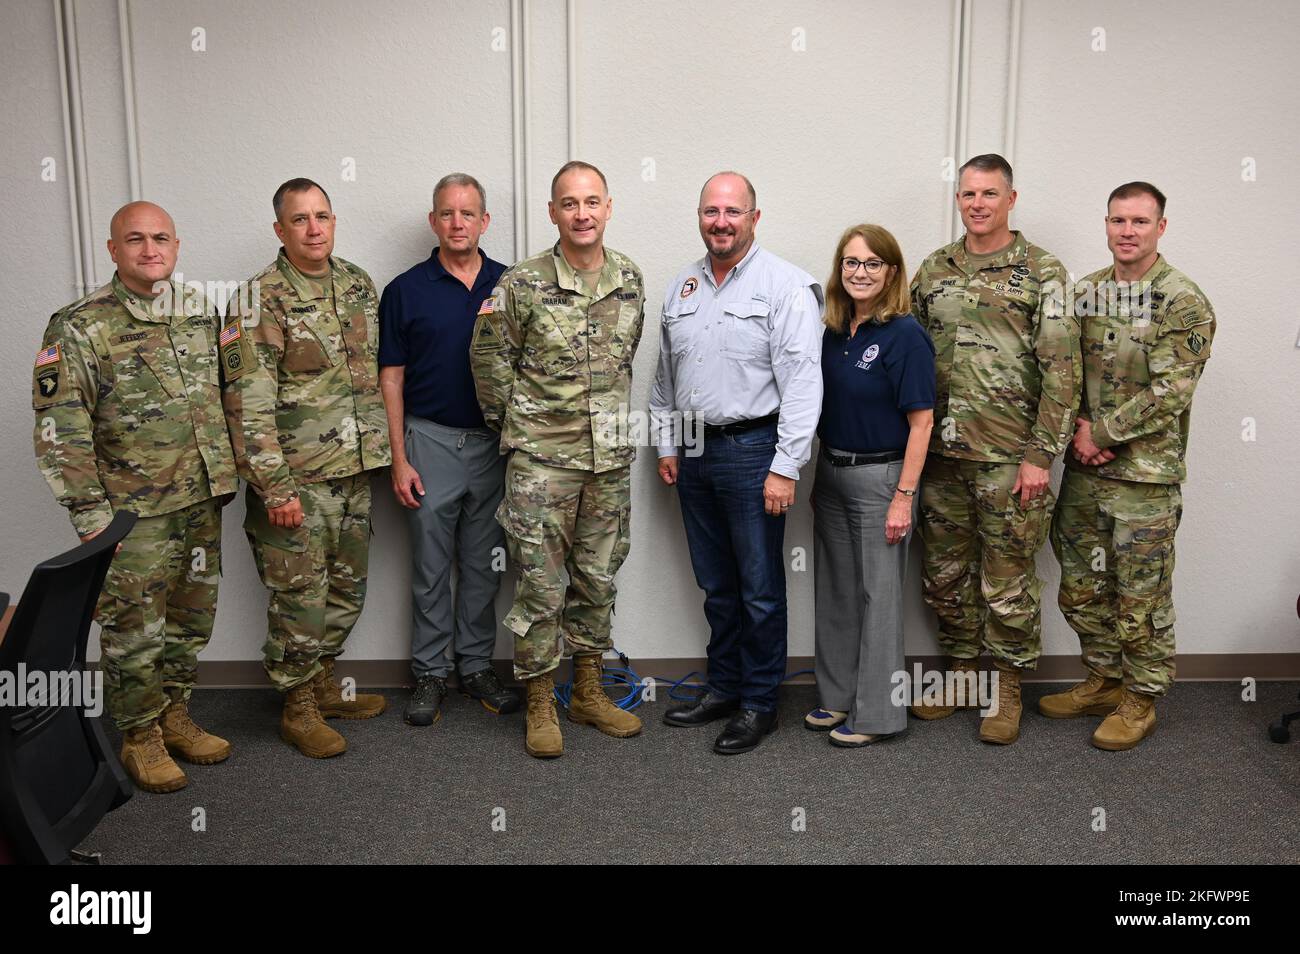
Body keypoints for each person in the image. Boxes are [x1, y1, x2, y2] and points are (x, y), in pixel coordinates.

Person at [33, 201, 238, 793]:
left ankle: (175, 715)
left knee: (190, 620)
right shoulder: (78, 324)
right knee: (133, 628)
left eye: (162, 238)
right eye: (135, 239)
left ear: (177, 245)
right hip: (130, 514)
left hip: (199, 498)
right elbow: (60, 428)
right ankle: (140, 736)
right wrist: (92, 518)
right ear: (112, 249)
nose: (151, 250)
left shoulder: (200, 310)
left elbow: (226, 394)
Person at [469, 160, 646, 759]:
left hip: (609, 462)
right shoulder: (521, 284)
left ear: (608, 207)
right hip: (542, 464)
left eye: (592, 201)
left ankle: (590, 691)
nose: (582, 213)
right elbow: (490, 365)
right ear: (552, 212)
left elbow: (626, 359)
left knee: (597, 579)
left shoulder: (629, 278)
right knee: (541, 586)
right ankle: (541, 701)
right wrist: (520, 430)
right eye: (569, 203)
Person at [650, 171, 824, 755]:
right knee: (716, 584)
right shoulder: (682, 287)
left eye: (732, 211)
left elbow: (803, 384)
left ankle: (759, 702)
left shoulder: (786, 285)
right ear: (699, 216)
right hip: (695, 452)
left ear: (754, 216)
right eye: (709, 212)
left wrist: (785, 465)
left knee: (758, 588)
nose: (719, 222)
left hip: (755, 451)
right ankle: (723, 687)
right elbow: (664, 379)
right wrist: (668, 444)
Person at [910, 154, 1078, 744]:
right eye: (967, 194)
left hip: (1009, 456)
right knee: (944, 574)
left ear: (1011, 198)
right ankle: (960, 675)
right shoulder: (934, 269)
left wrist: (1040, 455)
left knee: (1006, 579)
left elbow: (1063, 369)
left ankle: (1005, 688)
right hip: (939, 457)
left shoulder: (1041, 271)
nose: (977, 204)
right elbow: (909, 360)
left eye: (988, 193)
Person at [223, 177, 391, 759]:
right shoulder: (258, 298)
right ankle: (296, 707)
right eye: (300, 219)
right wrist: (274, 486)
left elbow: (369, 378)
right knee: (299, 597)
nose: (314, 228)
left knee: (346, 589)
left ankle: (322, 684)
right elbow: (247, 398)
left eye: (322, 216)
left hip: (353, 472)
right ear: (280, 229)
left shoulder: (356, 284)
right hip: (296, 481)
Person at [1043, 182, 1214, 750]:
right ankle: (1104, 678)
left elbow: (1171, 391)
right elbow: (1061, 372)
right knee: (1080, 585)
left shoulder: (1182, 301)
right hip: (1087, 472)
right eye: (1118, 220)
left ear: (1160, 227)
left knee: (1141, 594)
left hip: (1145, 478)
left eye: (1140, 222)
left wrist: (1105, 433)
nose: (1127, 231)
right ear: (1107, 224)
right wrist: (1078, 438)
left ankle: (1140, 699)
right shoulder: (1086, 291)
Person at [378, 174, 519, 727]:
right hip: (428, 439)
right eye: (446, 213)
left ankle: (477, 665)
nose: (457, 223)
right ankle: (431, 672)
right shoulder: (406, 290)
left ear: (484, 222)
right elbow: (391, 378)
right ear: (433, 221)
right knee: (431, 565)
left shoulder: (511, 284)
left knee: (485, 565)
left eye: (468, 213)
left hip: (493, 445)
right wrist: (399, 456)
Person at [807, 224, 935, 747]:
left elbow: (922, 424)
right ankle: (838, 697)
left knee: (877, 596)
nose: (860, 273)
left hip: (883, 478)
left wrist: (904, 496)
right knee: (835, 590)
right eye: (851, 263)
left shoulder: (905, 335)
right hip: (833, 473)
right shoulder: (835, 331)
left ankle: (879, 714)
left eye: (872, 264)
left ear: (892, 272)